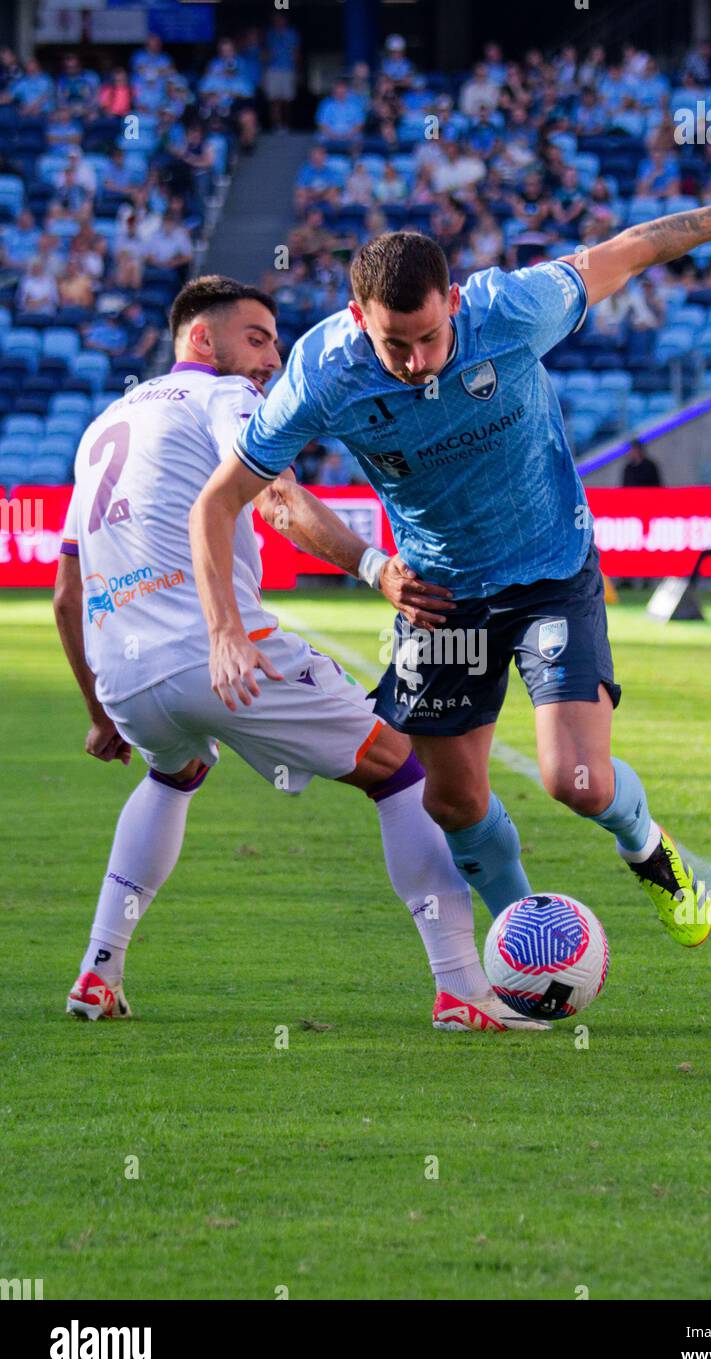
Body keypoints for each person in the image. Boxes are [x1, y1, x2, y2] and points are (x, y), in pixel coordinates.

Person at [187, 171, 711, 958]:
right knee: (452, 799)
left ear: (453, 303)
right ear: (357, 320)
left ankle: (649, 848)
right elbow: (224, 502)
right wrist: (238, 624)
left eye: (429, 337)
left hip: (549, 566)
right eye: (394, 345)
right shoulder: (322, 373)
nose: (416, 362)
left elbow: (630, 251)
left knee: (574, 781)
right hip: (441, 596)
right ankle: (538, 943)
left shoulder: (515, 307)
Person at [55, 276, 538, 1034]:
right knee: (402, 765)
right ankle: (462, 988)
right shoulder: (223, 399)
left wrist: (99, 711)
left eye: (276, 343)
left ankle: (98, 971)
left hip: (123, 668)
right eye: (256, 338)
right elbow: (277, 499)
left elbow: (65, 594)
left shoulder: (102, 427)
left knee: (173, 773)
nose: (271, 358)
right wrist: (374, 566)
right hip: (216, 651)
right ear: (202, 341)